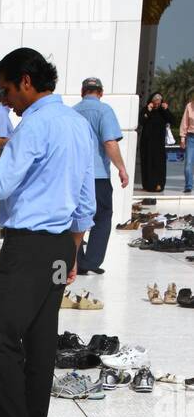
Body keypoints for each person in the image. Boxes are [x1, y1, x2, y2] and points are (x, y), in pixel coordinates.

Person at [0, 48, 95, 417]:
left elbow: (2, 185)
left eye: (5, 89)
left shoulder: (35, 125)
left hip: (27, 247)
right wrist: (74, 249)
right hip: (60, 247)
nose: (4, 99)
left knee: (1, 339)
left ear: (26, 81)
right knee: (41, 342)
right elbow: (86, 199)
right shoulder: (77, 125)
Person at [72, 78, 128, 275]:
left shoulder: (72, 111)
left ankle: (75, 261)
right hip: (98, 176)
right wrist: (121, 168)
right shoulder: (104, 111)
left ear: (82, 91)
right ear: (101, 92)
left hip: (74, 176)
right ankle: (91, 261)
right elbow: (110, 143)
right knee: (102, 217)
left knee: (76, 217)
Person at [139, 93, 173, 193]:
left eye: (159, 103)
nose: (157, 105)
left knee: (159, 164)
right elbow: (142, 121)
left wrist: (166, 109)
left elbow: (171, 120)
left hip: (159, 144)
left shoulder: (163, 111)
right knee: (147, 162)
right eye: (155, 103)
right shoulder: (146, 109)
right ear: (152, 102)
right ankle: (148, 185)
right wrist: (148, 111)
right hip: (147, 143)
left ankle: (159, 185)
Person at [180, 89, 194, 195]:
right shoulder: (189, 106)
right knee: (188, 163)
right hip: (191, 137)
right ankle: (188, 186)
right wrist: (182, 138)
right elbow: (184, 123)